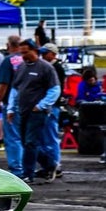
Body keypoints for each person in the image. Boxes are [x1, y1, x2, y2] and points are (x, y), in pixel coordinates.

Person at [6, 39, 60, 184]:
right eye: (21, 52)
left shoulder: (46, 68)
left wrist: (42, 105)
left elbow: (55, 89)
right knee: (26, 143)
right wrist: (11, 108)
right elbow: (15, 89)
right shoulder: (21, 68)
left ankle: (27, 174)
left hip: (37, 112)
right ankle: (50, 164)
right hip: (23, 110)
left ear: (34, 50)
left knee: (30, 142)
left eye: (25, 52)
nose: (23, 55)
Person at [0, 36, 26, 176]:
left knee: (12, 137)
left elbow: (4, 84)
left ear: (9, 45)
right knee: (25, 137)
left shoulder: (9, 61)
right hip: (28, 103)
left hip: (12, 103)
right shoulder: (27, 59)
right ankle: (27, 167)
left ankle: (16, 169)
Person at [38, 43, 66, 179]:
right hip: (49, 106)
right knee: (46, 137)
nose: (43, 55)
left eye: (45, 53)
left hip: (51, 106)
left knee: (50, 137)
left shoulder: (56, 68)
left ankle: (55, 164)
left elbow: (55, 89)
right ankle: (50, 165)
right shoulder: (51, 67)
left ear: (53, 54)